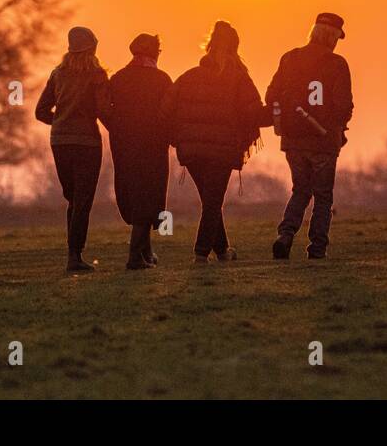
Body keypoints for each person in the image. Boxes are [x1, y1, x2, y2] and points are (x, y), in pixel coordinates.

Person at [161, 21, 265, 263]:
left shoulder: (188, 77)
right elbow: (253, 113)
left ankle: (223, 251)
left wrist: (178, 140)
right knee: (212, 201)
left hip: (193, 151)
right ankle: (200, 253)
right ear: (234, 47)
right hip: (222, 150)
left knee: (210, 200)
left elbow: (165, 111)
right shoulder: (239, 78)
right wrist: (279, 114)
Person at [266, 12, 353, 260]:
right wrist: (339, 127)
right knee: (323, 196)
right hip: (324, 142)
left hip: (293, 140)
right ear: (332, 37)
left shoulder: (290, 58)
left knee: (300, 190)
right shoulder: (337, 64)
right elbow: (344, 106)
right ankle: (317, 247)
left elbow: (271, 95)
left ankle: (286, 234)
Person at [35, 26, 110, 272]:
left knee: (73, 199)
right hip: (87, 143)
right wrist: (120, 129)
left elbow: (40, 111)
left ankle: (73, 255)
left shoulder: (58, 74)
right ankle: (74, 255)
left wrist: (59, 121)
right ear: (92, 48)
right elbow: (102, 110)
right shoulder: (97, 74)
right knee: (82, 200)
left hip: (60, 143)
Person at [105, 33, 173, 270]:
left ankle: (146, 251)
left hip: (124, 145)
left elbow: (105, 109)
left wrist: (116, 129)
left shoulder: (118, 79)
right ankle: (135, 256)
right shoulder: (162, 80)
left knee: (133, 192)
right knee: (150, 193)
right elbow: (169, 113)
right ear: (155, 52)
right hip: (153, 145)